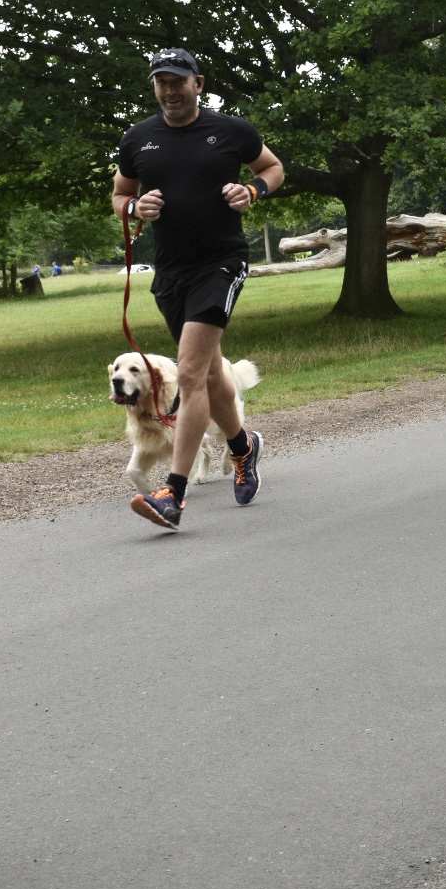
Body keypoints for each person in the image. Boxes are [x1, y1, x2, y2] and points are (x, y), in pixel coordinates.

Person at [111, 46, 285, 529]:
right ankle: (243, 447)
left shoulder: (231, 131)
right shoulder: (138, 139)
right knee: (209, 375)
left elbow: (273, 168)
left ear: (198, 83)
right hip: (170, 271)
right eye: (160, 82)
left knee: (188, 374)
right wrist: (134, 209)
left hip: (221, 262)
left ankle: (174, 493)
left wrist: (251, 191)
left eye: (177, 81)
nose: (169, 90)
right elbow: (119, 194)